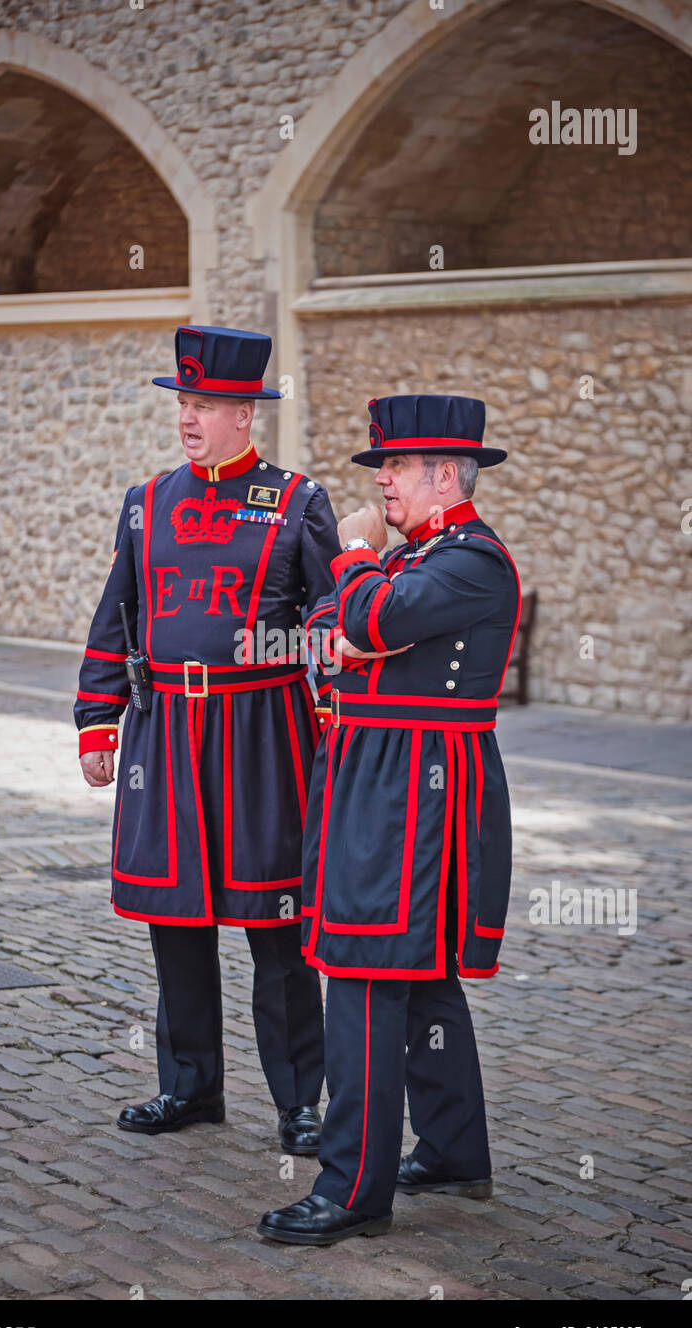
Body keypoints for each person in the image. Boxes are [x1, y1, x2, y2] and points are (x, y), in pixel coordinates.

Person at [258, 393, 521, 1243]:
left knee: (367, 974)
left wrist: (356, 559)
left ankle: (350, 1189)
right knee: (419, 974)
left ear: (446, 474)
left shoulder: (471, 560)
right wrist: (357, 600)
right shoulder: (419, 558)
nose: (382, 483)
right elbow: (330, 633)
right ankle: (452, 1150)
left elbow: (366, 619)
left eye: (396, 467)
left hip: (418, 791)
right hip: (382, 778)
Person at [74, 325, 341, 1156]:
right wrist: (97, 716)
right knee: (174, 916)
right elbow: (116, 615)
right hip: (165, 734)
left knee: (279, 925)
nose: (189, 418)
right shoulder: (146, 502)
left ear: (245, 416)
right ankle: (189, 1088)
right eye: (185, 403)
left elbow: (331, 622)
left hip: (266, 733)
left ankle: (300, 1104)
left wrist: (338, 722)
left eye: (206, 405)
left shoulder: (299, 500)